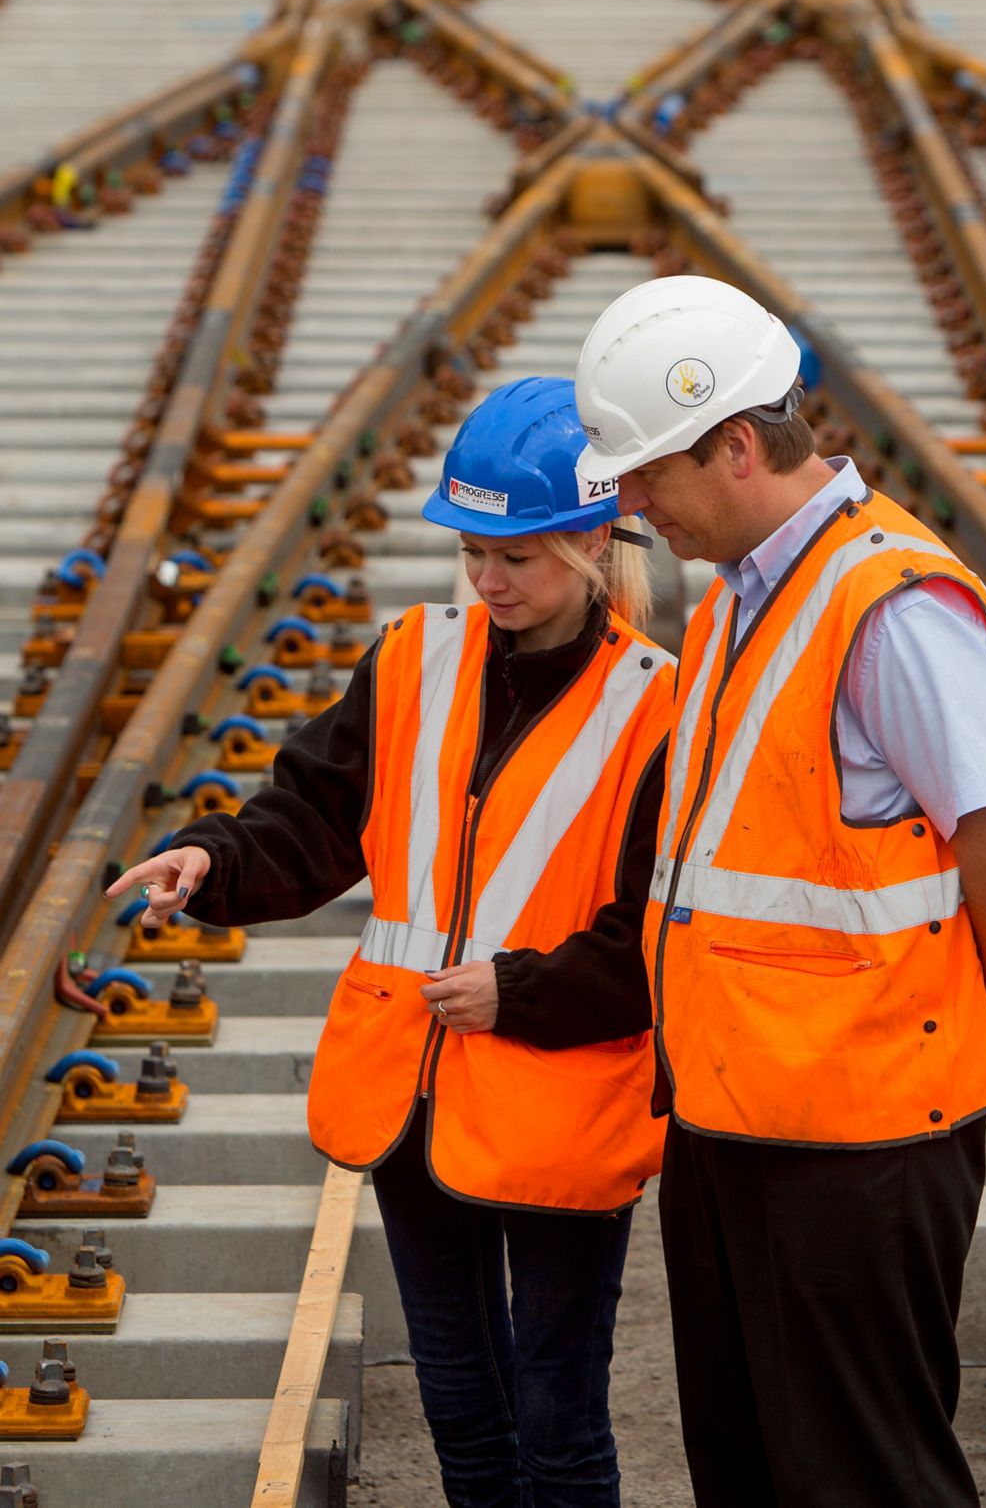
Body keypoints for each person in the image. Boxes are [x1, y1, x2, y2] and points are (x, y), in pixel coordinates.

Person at [105, 376, 673, 1508]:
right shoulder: (413, 656)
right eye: (473, 551)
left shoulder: (658, 705)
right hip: (412, 1096)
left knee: (560, 1421)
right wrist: (213, 861)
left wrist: (518, 993)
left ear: (594, 537)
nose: (489, 578)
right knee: (461, 1402)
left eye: (516, 553)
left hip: (558, 1107)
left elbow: (656, 940)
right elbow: (314, 819)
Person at [573, 275, 986, 1508]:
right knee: (750, 1464)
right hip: (740, 1113)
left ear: (738, 444)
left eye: (648, 476)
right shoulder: (752, 589)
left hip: (860, 1136)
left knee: (862, 1475)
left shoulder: (890, 602)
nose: (631, 506)